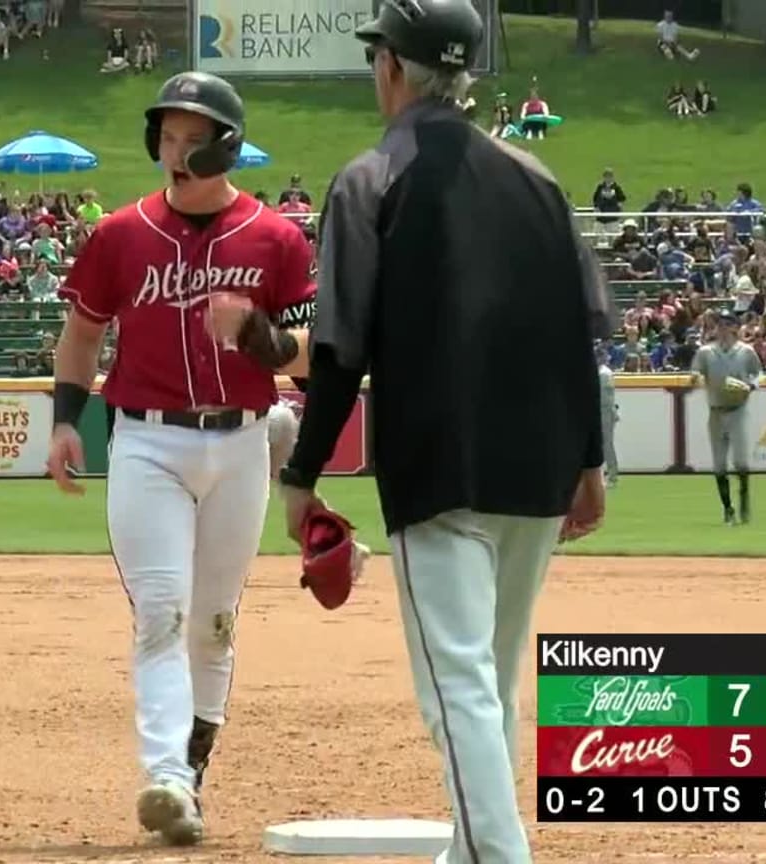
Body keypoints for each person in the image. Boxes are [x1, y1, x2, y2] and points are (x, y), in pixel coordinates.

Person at [270, 1, 609, 860]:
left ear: (390, 66)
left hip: (439, 464)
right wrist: (590, 461)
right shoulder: (538, 178)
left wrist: (301, 473)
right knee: (489, 681)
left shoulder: (370, 179)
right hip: (539, 470)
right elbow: (580, 333)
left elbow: (340, 348)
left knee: (455, 688)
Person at [44, 70, 317, 847]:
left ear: (226, 146)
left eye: (193, 138)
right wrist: (65, 421)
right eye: (167, 136)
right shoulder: (121, 234)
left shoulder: (276, 238)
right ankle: (164, 772)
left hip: (241, 441)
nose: (176, 151)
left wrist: (257, 334)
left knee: (215, 622)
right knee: (161, 608)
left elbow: (310, 357)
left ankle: (190, 775)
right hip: (147, 441)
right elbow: (83, 335)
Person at [690, 309, 762, 525]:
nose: (722, 328)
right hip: (716, 411)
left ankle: (744, 497)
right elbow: (696, 371)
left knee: (740, 462)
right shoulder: (706, 352)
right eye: (720, 324)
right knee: (719, 465)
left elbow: (758, 373)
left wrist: (752, 385)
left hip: (737, 410)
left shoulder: (745, 351)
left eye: (727, 324)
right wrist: (695, 378)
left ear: (735, 327)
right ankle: (728, 508)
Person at [598, 344, 618, 488]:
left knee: (607, 444)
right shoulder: (601, 372)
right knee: (602, 444)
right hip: (600, 410)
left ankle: (612, 475)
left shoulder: (604, 373)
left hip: (604, 410)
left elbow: (605, 397)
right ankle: (606, 474)